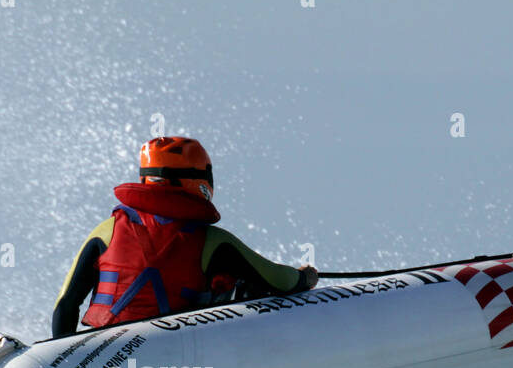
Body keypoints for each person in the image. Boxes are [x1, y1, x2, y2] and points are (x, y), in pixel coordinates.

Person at [52, 137, 318, 338]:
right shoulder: (212, 242)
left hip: (99, 355)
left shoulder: (107, 229)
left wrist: (63, 366)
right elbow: (279, 280)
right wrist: (305, 277)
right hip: (176, 359)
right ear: (195, 179)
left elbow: (66, 304)